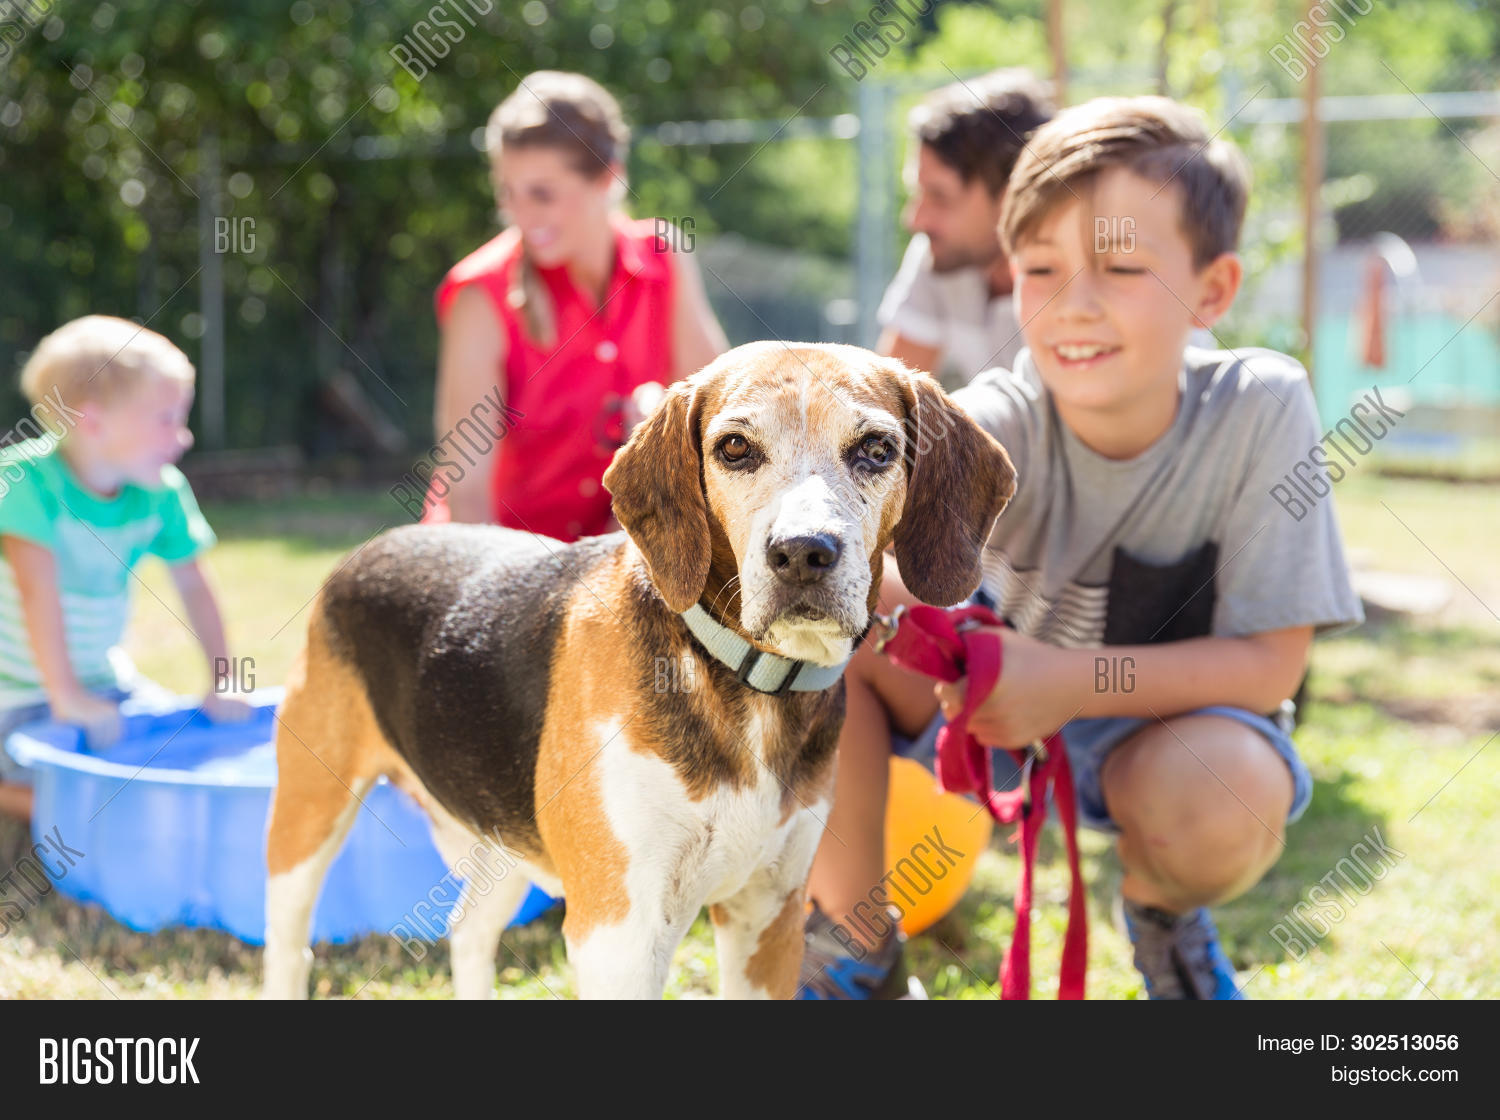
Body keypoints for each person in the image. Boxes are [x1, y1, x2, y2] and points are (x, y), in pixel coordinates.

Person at [799, 96, 1365, 999]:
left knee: (1230, 798)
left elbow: (1269, 668)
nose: (1074, 305)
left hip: (1161, 732)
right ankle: (848, 940)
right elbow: (886, 520)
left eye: (1124, 265)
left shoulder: (1262, 406)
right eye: (1041, 266)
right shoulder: (996, 419)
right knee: (825, 641)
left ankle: (1162, 915)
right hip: (980, 707)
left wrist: (1071, 682)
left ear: (1212, 291)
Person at [421, 70, 728, 538]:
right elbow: (467, 494)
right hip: (503, 559)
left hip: (618, 551)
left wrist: (658, 417)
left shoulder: (663, 257)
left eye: (542, 194)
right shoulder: (480, 294)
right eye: (508, 193)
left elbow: (718, 420)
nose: (521, 216)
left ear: (609, 178)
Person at [0, 316, 251, 821]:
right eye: (166, 418)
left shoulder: (160, 490)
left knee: (172, 758)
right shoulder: (23, 480)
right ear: (93, 422)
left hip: (104, 683)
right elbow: (36, 592)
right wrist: (66, 698)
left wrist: (223, 677)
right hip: (14, 696)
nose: (183, 437)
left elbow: (195, 585)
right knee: (72, 795)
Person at [876, 68, 1053, 389]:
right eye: (918, 193)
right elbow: (887, 401)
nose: (915, 220)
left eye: (940, 197)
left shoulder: (1077, 280)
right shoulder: (937, 256)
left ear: (1013, 197)